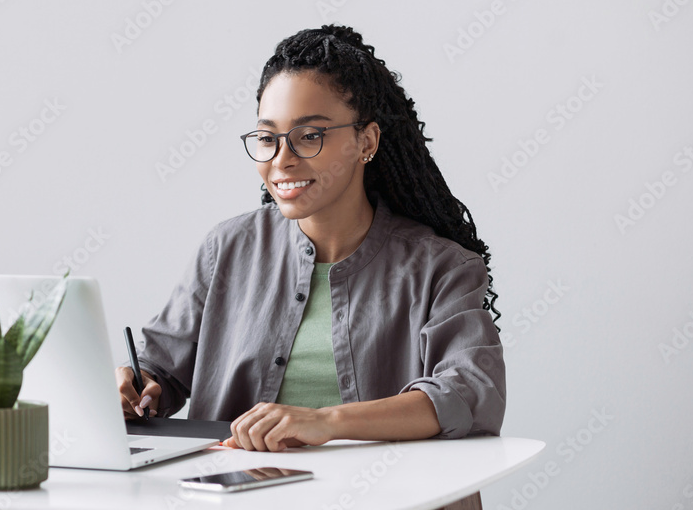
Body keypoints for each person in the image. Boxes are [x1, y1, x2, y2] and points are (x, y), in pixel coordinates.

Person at [116, 25, 505, 452]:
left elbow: (469, 392)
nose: (282, 160)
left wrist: (328, 422)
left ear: (366, 141)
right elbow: (160, 370)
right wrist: (138, 386)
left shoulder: (441, 266)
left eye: (309, 136)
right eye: (267, 138)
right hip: (235, 489)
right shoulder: (226, 248)